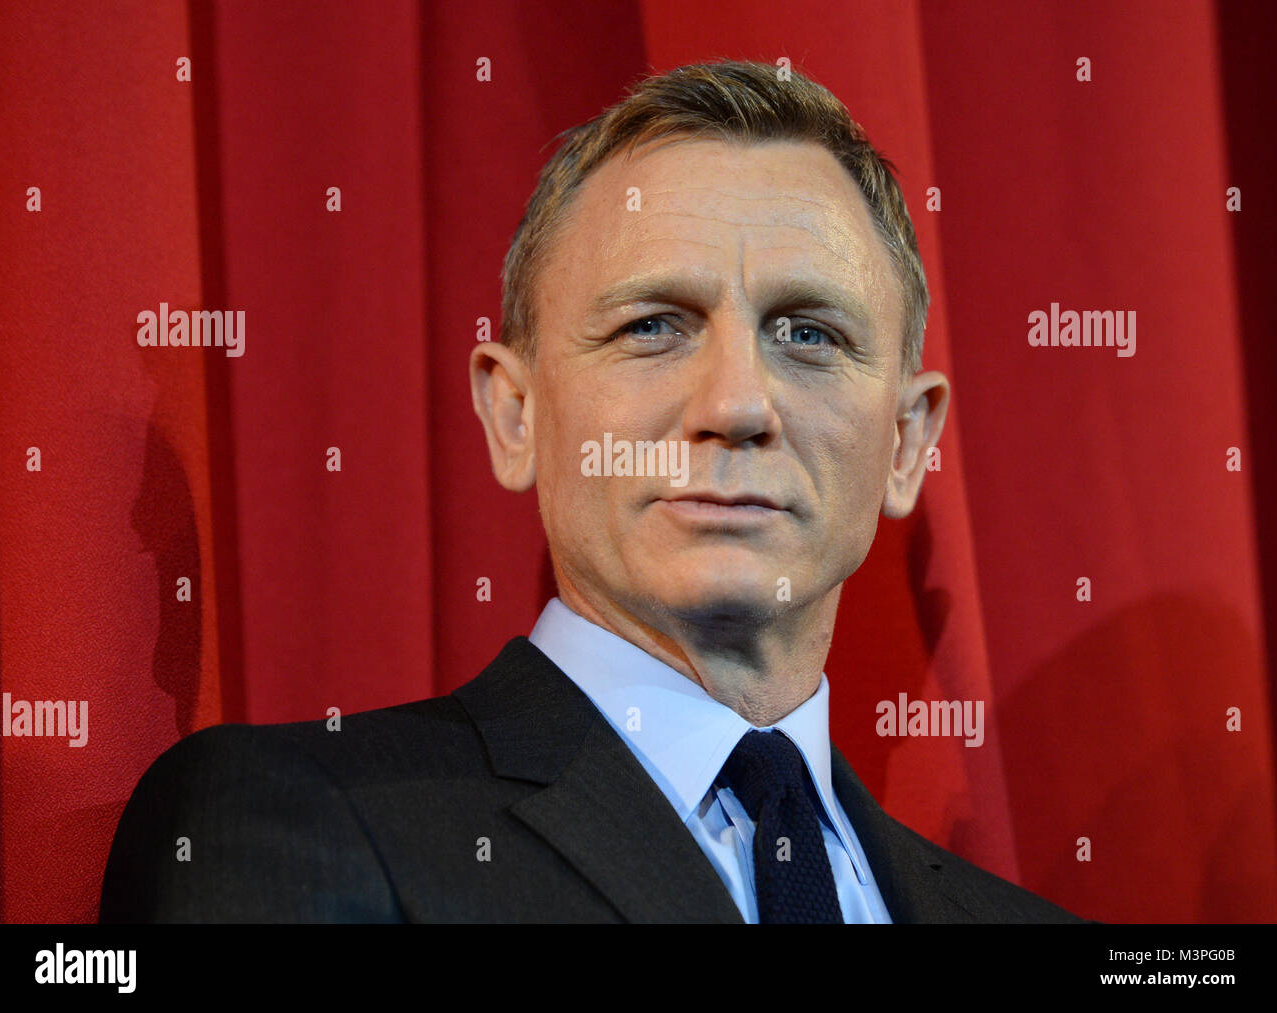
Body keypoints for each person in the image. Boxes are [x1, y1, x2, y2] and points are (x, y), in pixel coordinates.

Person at [101, 60, 1082, 924]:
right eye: (654, 325)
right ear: (516, 413)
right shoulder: (300, 817)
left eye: (809, 333)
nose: (737, 404)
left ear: (907, 441)